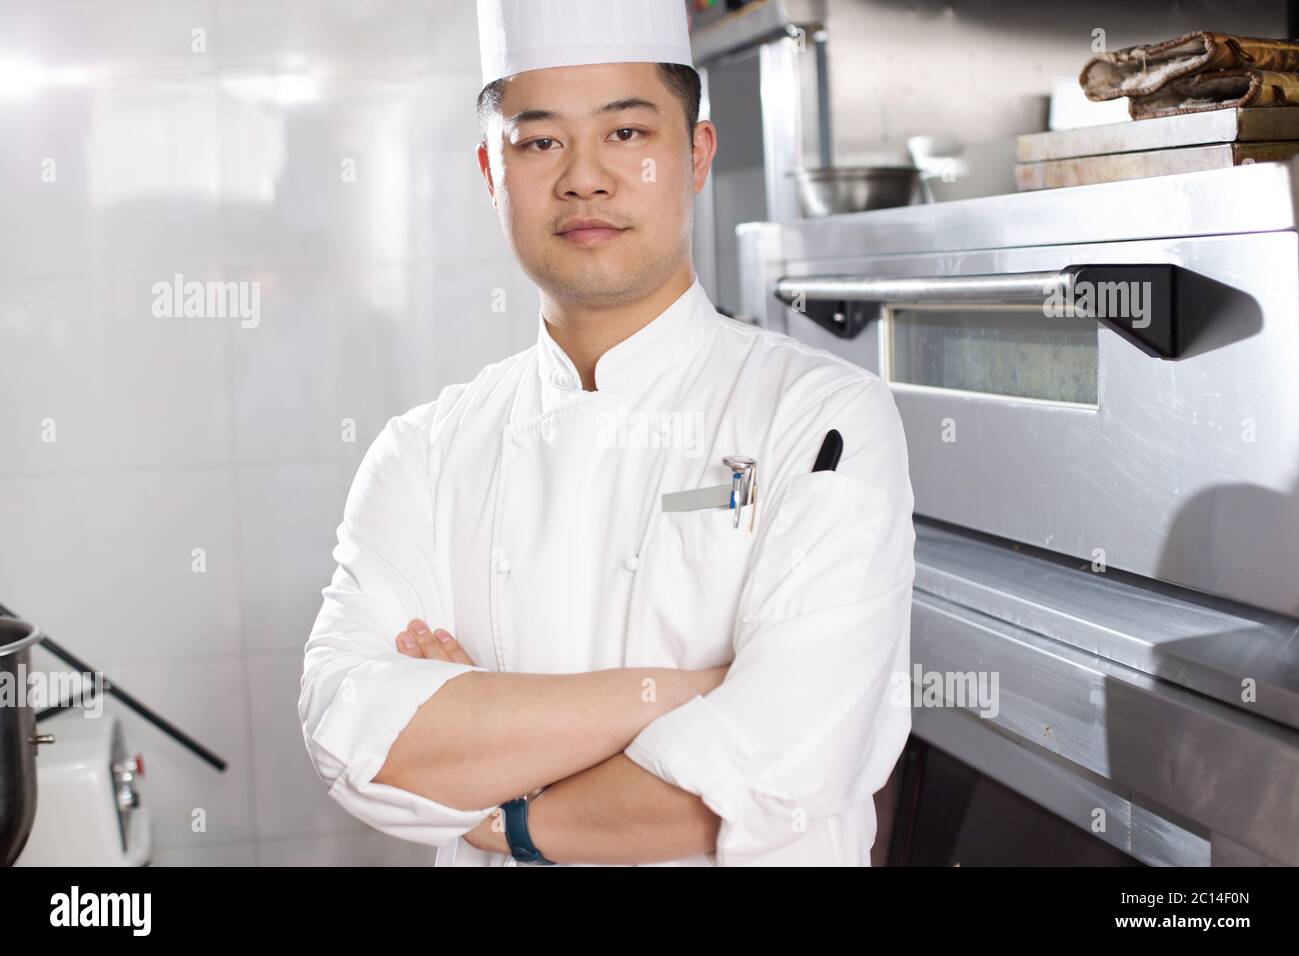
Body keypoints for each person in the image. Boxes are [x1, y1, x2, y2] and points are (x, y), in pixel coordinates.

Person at [299, 0, 916, 866]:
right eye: (539, 141)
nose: (585, 178)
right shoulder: (424, 452)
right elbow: (351, 734)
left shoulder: (821, 415)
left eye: (627, 134)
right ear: (490, 170)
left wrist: (503, 801)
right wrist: (703, 693)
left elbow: (780, 766)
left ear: (696, 154)